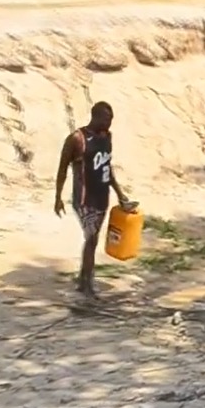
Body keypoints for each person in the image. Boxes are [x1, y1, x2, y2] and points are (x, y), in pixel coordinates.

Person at [54, 102, 134, 297]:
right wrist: (58, 198)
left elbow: (108, 167)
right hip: (83, 199)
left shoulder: (107, 137)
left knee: (94, 239)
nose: (109, 124)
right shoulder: (77, 139)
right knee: (91, 239)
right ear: (95, 116)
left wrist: (120, 194)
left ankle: (84, 278)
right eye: (107, 119)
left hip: (101, 196)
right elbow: (62, 168)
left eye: (111, 120)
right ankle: (87, 285)